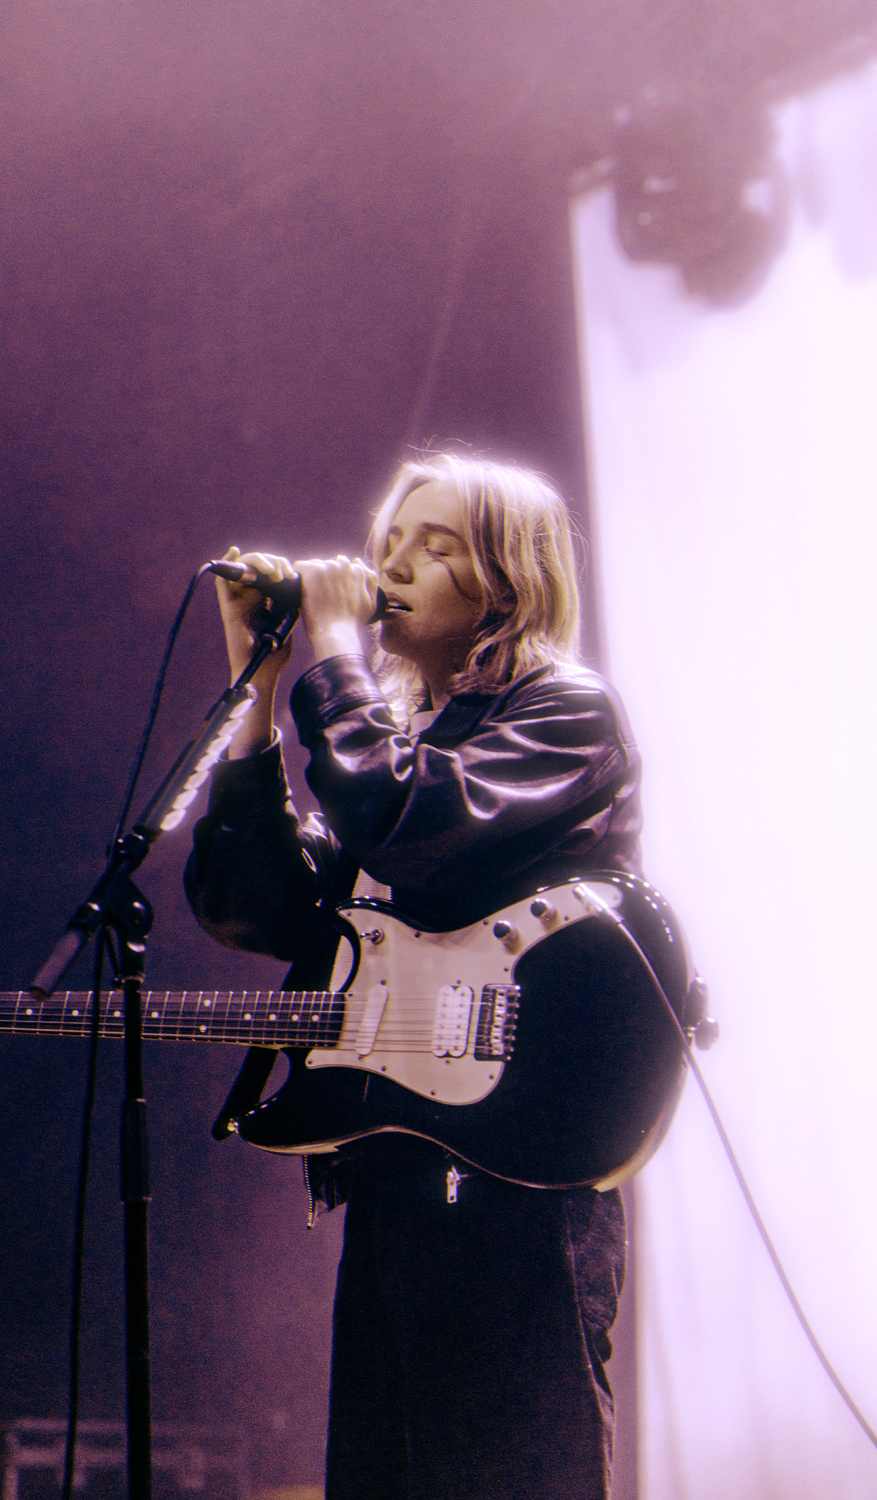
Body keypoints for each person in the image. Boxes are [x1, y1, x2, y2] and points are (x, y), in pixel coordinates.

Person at [184, 450, 644, 1500]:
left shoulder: (566, 714)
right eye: (388, 542)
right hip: (396, 1169)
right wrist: (256, 694)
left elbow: (410, 824)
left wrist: (336, 651)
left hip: (522, 1177)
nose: (388, 568)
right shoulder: (398, 742)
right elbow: (253, 910)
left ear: (507, 582)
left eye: (432, 548)